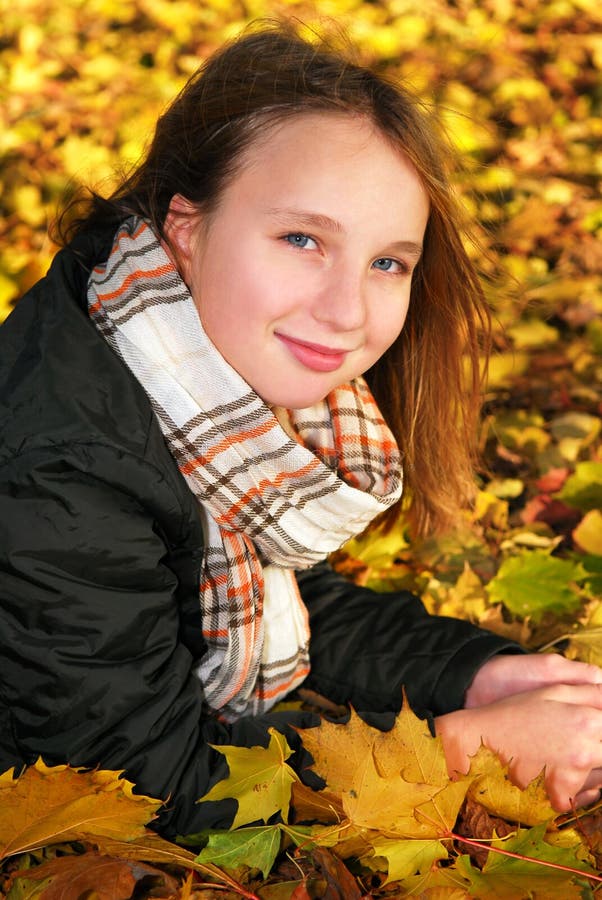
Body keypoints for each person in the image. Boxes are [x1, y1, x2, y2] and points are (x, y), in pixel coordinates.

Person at [1, 22, 602, 840]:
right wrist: (464, 749)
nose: (348, 311)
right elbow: (142, 791)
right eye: (302, 239)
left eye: (386, 262)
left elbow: (267, 594)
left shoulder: (189, 373)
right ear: (186, 226)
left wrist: (476, 674)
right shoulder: (62, 463)